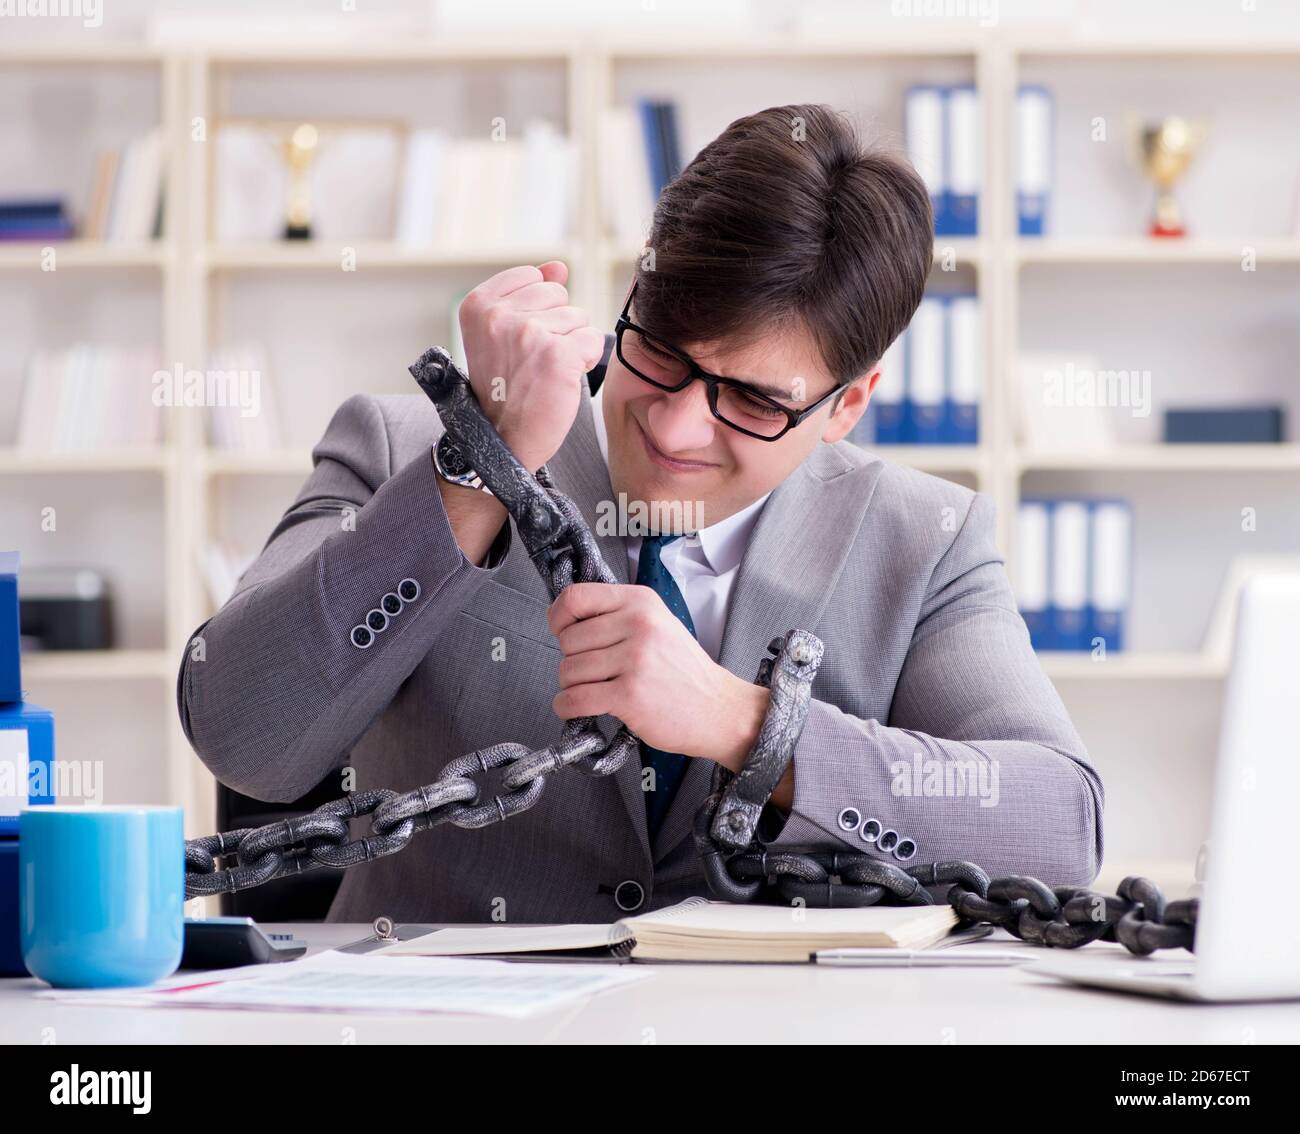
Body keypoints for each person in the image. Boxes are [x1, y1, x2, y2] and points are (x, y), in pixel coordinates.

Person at [179, 104, 1101, 923]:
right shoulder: (402, 448)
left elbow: (1058, 827)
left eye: (751, 399)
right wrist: (476, 466)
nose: (674, 422)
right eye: (659, 350)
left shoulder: (922, 540)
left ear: (846, 407)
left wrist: (750, 726)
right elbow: (240, 735)